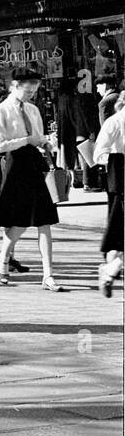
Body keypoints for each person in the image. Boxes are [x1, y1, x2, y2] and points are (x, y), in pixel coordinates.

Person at [0, 67, 65, 291]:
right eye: (27, 90)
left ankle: (48, 275)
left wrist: (45, 142)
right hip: (15, 165)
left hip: (34, 163)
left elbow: (39, 136)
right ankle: (4, 255)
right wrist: (26, 140)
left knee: (44, 220)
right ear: (14, 86)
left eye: (34, 89)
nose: (32, 93)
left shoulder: (33, 110)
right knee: (21, 221)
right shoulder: (2, 111)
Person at [92, 99, 125, 296]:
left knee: (118, 237)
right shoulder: (114, 122)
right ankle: (109, 269)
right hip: (120, 184)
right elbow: (99, 153)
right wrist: (117, 162)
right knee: (117, 235)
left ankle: (109, 270)